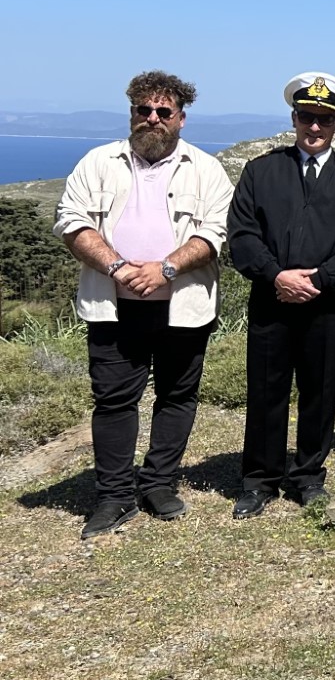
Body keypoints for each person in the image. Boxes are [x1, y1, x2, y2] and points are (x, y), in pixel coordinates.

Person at [54, 71, 233, 538]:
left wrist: (166, 269)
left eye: (163, 112)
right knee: (113, 400)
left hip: (183, 305)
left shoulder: (206, 169)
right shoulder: (97, 163)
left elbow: (215, 232)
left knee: (176, 396)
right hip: (113, 304)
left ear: (181, 119)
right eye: (143, 110)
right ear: (131, 112)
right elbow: (71, 221)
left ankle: (158, 484)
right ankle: (114, 497)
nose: (152, 119)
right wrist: (117, 267)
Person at [226, 72, 335, 517]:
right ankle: (259, 481)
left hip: (326, 304)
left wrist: (318, 281)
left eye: (325, 120)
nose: (315, 128)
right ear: (294, 118)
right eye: (307, 117)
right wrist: (276, 276)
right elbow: (243, 234)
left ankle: (308, 476)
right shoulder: (261, 171)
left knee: (319, 390)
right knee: (266, 390)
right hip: (270, 300)